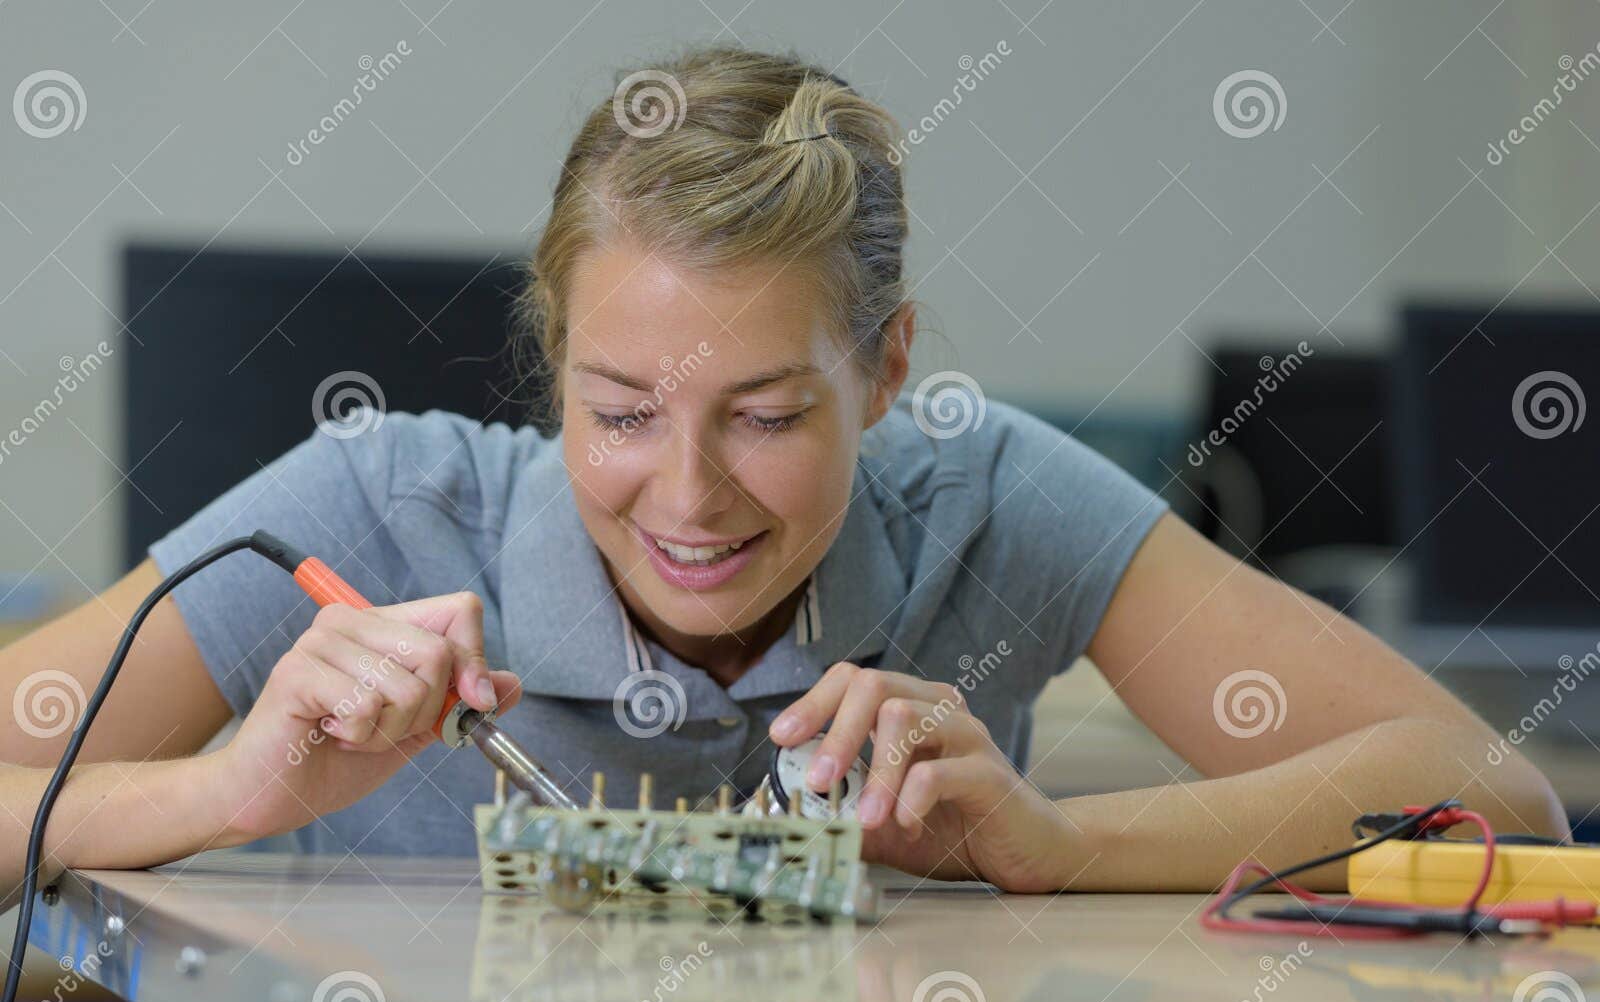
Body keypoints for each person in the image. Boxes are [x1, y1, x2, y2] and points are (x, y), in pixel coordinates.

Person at [0, 46, 1565, 909]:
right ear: (552, 363)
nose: (687, 499)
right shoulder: (368, 506)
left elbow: (1492, 787)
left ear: (885, 371)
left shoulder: (987, 498)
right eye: (617, 411)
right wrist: (226, 793)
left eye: (764, 416)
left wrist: (1061, 842)